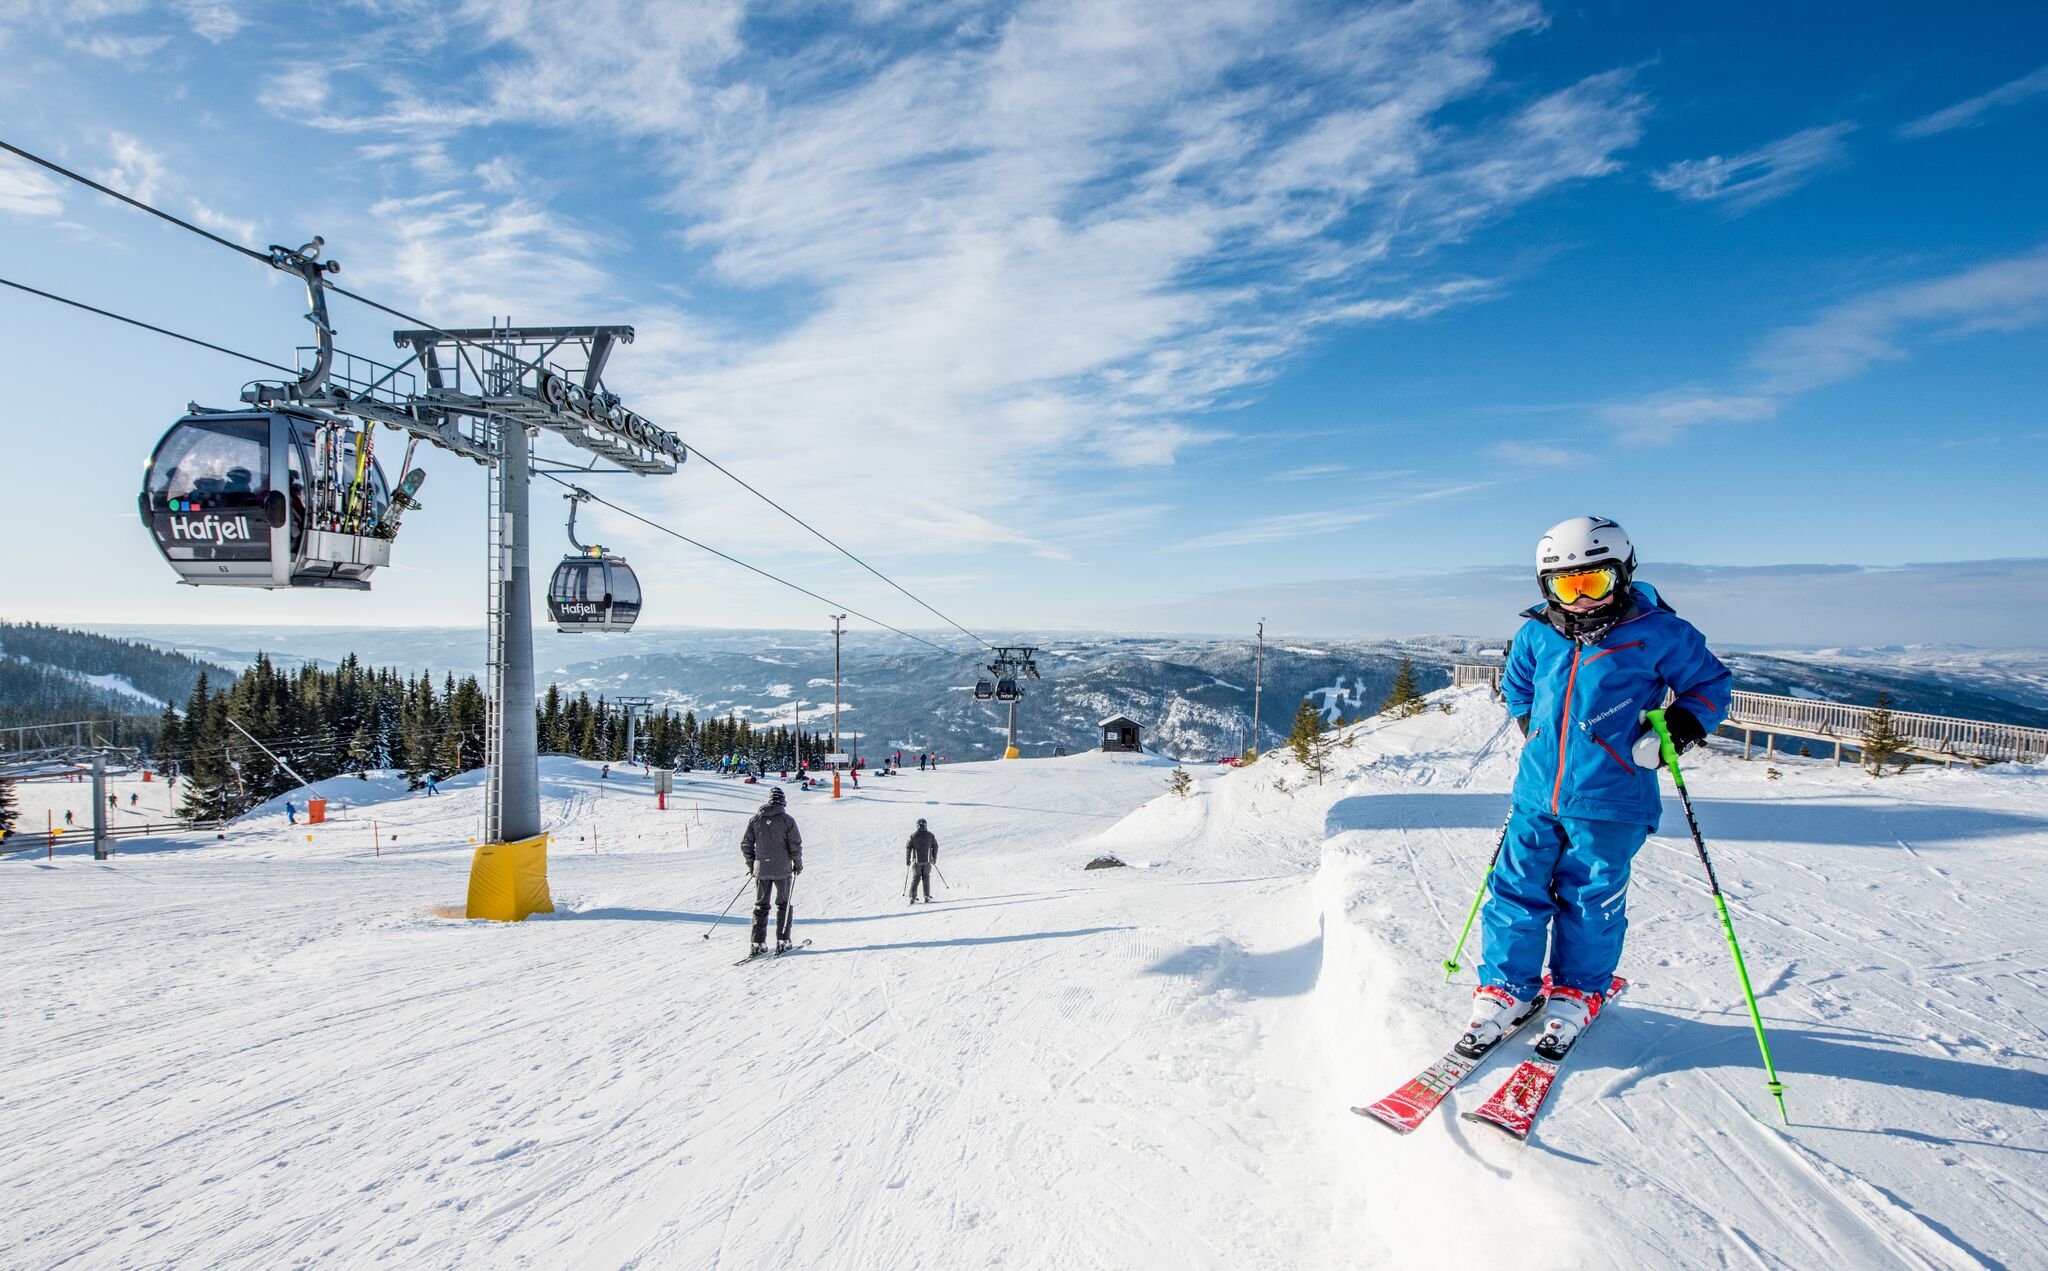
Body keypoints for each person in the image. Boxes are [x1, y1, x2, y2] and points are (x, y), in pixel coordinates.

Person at [1469, 517, 1729, 1051]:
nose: (1582, 599)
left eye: (1595, 582)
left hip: (1613, 797)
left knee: (1590, 897)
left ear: (1623, 574)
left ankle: (1577, 990)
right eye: (1567, 586)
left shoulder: (1660, 633)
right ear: (1547, 587)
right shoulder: (1537, 632)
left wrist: (1680, 728)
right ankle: (1507, 988)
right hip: (1537, 793)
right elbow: (1519, 685)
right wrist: (1532, 727)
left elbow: (1709, 682)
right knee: (1514, 890)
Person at [740, 786, 804, 955]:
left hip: (761, 870)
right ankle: (783, 940)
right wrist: (798, 864)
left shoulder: (756, 819)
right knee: (783, 904)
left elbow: (746, 844)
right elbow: (795, 845)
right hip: (782, 869)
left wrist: (751, 864)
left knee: (761, 905)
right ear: (783, 801)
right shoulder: (787, 820)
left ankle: (757, 942)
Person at [906, 818, 939, 904]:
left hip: (916, 861)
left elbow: (908, 847)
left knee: (916, 878)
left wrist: (908, 859)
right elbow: (935, 846)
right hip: (927, 860)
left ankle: (912, 898)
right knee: (926, 877)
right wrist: (934, 858)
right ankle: (927, 897)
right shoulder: (930, 835)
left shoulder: (913, 836)